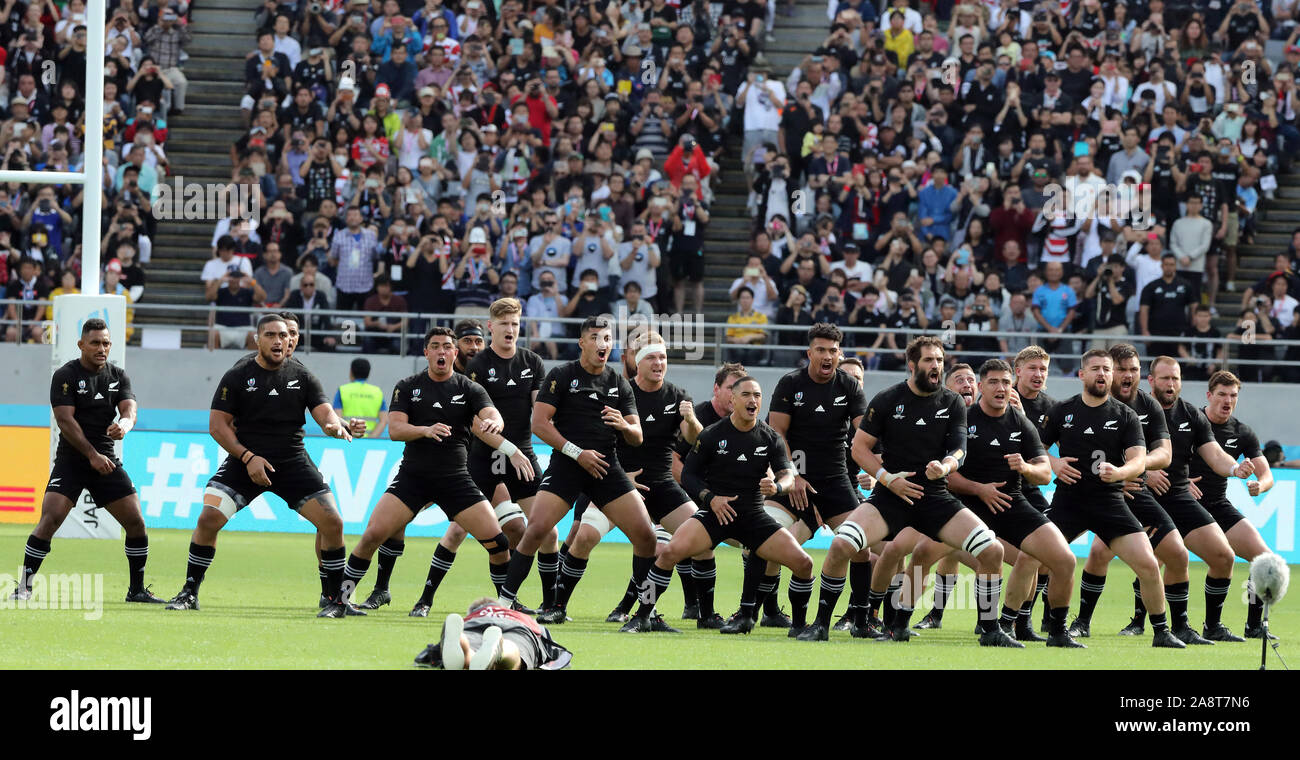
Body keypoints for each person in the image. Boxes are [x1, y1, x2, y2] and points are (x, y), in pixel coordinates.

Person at [798, 336, 1021, 646]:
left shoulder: (953, 402)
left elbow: (959, 451)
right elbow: (859, 448)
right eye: (929, 360)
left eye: (940, 361)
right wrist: (887, 478)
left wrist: (944, 467)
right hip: (890, 496)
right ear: (913, 364)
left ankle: (989, 629)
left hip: (935, 497)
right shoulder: (888, 399)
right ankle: (821, 624)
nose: (936, 367)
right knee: (840, 547)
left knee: (992, 550)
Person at [164, 314, 368, 617]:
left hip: (292, 460)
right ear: (257, 339)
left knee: (333, 523)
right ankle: (189, 592)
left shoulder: (303, 376)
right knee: (209, 518)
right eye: (271, 335)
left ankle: (334, 599)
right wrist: (248, 458)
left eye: (284, 336)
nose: (278, 340)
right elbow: (217, 426)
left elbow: (324, 414)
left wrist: (337, 426)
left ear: (290, 340)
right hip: (245, 460)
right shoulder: (237, 375)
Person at [336, 326, 521, 617]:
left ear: (454, 353)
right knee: (372, 535)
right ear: (426, 352)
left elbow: (491, 413)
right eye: (435, 346)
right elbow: (395, 429)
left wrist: (495, 423)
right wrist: (425, 430)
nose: (442, 351)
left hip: (456, 480)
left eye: (447, 346)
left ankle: (508, 606)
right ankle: (340, 601)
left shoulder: (469, 388)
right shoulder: (408, 385)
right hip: (414, 478)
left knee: (498, 544)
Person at [492, 316, 661, 631]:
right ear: (582, 342)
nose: (602, 343)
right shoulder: (562, 375)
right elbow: (539, 424)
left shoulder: (619, 382)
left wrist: (624, 425)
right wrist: (576, 453)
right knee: (537, 530)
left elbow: (637, 435)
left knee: (646, 537)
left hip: (606, 467)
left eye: (607, 338)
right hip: (568, 466)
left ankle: (641, 613)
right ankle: (504, 605)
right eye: (595, 337)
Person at [911, 359, 1084, 646]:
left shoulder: (1021, 422)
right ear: (980, 387)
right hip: (963, 507)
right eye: (993, 382)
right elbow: (946, 476)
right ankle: (898, 620)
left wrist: (1025, 468)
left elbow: (1043, 473)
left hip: (1011, 505)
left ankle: (1049, 631)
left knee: (1064, 559)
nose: (1001, 388)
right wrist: (980, 489)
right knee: (919, 554)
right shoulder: (963, 420)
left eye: (1005, 382)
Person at [559, 331, 711, 628]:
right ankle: (556, 606)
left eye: (663, 357)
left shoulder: (678, 396)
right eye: (652, 357)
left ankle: (702, 614)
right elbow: (599, 440)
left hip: (662, 484)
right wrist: (622, 476)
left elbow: (695, 440)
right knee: (584, 537)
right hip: (617, 482)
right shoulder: (619, 392)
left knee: (702, 538)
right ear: (637, 362)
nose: (659, 363)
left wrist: (691, 420)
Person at [647, 375, 817, 637]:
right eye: (747, 395)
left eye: (757, 395)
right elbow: (688, 475)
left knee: (804, 564)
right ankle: (641, 616)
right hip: (716, 513)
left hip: (753, 516)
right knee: (670, 553)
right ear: (733, 400)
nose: (753, 400)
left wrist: (778, 488)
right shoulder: (712, 434)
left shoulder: (770, 437)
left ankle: (796, 626)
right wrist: (710, 499)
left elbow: (787, 474)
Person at [727, 323, 868, 636]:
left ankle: (861, 621)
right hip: (790, 480)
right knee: (760, 540)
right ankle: (747, 614)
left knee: (861, 547)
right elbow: (776, 433)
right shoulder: (791, 383)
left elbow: (865, 431)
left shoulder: (850, 387)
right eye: (821, 350)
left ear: (839, 353)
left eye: (833, 350)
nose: (827, 355)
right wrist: (793, 473)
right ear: (810, 353)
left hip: (834, 481)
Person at [1039, 349, 1186, 648]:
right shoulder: (1062, 411)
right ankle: (1048, 629)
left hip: (1111, 502)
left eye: (1107, 369)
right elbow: (1037, 450)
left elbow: (1138, 460)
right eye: (1095, 369)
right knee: (1035, 558)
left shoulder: (1126, 415)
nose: (1102, 374)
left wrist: (1120, 472)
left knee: (1147, 562)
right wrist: (1055, 464)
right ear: (1082, 375)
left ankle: (1161, 632)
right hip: (1070, 500)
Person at [9, 320, 163, 604]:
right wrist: (91, 455)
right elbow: (65, 421)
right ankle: (24, 587)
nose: (102, 348)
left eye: (106, 343)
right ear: (81, 345)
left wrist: (125, 425)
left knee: (136, 522)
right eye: (95, 343)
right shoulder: (66, 375)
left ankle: (137, 590)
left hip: (106, 461)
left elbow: (130, 408)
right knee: (50, 519)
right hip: (73, 460)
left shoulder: (118, 376)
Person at [1145, 356, 1257, 641]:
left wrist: (1235, 468)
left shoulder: (1191, 415)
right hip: (1137, 496)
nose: (1170, 384)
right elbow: (1113, 452)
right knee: (1097, 556)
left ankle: (1210, 626)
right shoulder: (1133, 409)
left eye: (1175, 378)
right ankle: (1075, 622)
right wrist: (1144, 474)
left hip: (1180, 499)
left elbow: (1215, 455)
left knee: (1223, 557)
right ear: (1151, 381)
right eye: (1164, 378)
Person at [1189, 370, 1278, 639]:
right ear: (1209, 395)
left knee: (1267, 563)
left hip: (1216, 505)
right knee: (1158, 559)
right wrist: (1178, 481)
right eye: (1222, 395)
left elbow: (1267, 475)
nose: (1227, 401)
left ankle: (1252, 627)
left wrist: (1258, 486)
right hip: (1178, 503)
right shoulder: (1189, 421)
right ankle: (1138, 622)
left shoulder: (1242, 432)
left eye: (1233, 396)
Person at [415, 599, 572, 670]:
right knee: (514, 653)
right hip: (519, 627)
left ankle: (463, 644)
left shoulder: (472, 616)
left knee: (471, 648)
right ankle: (501, 649)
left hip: (474, 626)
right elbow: (552, 651)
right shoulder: (522, 617)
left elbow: (428, 654)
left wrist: (433, 653)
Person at [332, 358, 389, 438]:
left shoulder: (342, 390)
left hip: (347, 439)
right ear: (368, 373)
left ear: (351, 372)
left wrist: (348, 434)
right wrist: (371, 438)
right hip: (369, 442)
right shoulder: (377, 392)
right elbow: (384, 420)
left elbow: (337, 418)